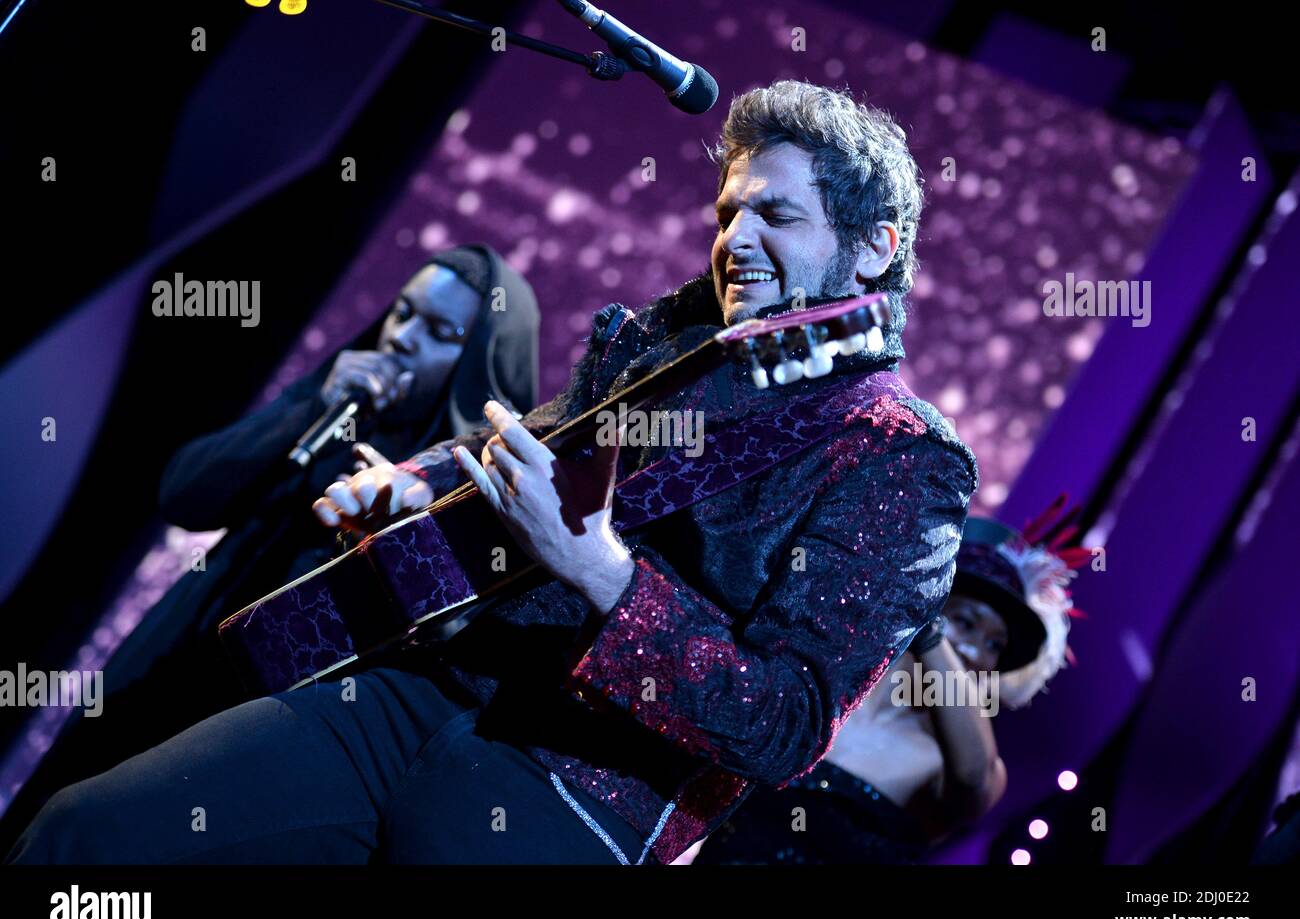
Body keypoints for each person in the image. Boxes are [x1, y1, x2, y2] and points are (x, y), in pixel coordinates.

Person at [8, 80, 978, 866]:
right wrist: (414, 489)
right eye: (729, 214)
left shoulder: (902, 455)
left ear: (871, 250)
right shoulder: (665, 342)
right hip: (425, 694)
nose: (735, 241)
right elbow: (523, 449)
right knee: (83, 838)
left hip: (580, 794)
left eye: (777, 216)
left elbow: (784, 723)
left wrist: (604, 575)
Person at [0, 245, 540, 854]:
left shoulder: (468, 481)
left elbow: (449, 642)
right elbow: (185, 493)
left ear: (480, 357)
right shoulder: (336, 404)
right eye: (402, 312)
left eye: (440, 332)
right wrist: (308, 408)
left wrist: (400, 528)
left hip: (262, 712)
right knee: (55, 820)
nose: (403, 338)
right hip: (169, 659)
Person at [693, 499, 1089, 864]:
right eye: (966, 622)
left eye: (994, 645)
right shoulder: (826, 697)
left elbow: (973, 780)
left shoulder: (951, 762)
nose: (974, 651)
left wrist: (931, 630)